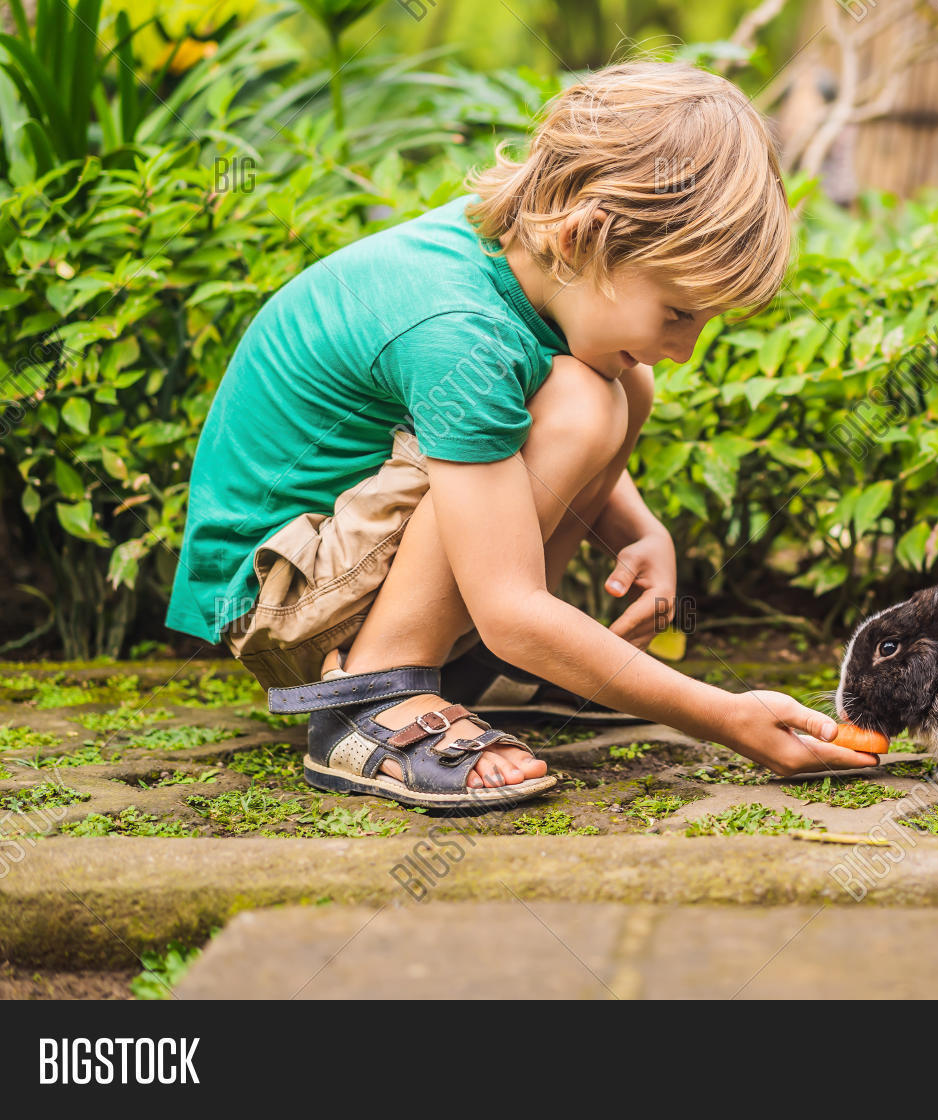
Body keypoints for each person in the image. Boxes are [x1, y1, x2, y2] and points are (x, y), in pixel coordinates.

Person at [165, 61, 881, 810]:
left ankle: (482, 672)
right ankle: (371, 700)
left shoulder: (513, 256)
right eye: (677, 313)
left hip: (338, 563)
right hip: (281, 600)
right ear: (582, 236)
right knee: (581, 396)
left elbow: (516, 432)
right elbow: (509, 600)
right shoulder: (457, 332)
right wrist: (720, 715)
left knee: (622, 383)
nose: (687, 348)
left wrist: (636, 526)